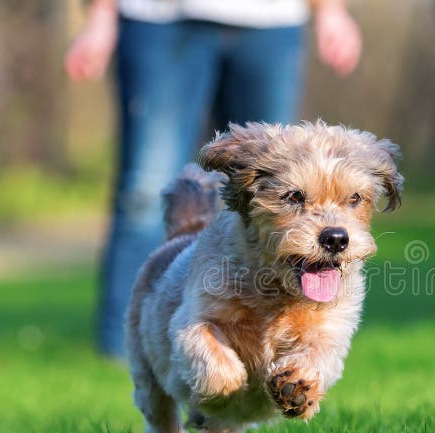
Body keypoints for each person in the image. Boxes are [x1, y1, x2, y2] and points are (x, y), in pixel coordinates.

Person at [65, 0, 363, 358]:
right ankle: (124, 349)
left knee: (285, 198)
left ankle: (277, 354)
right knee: (144, 194)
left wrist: (330, 9)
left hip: (270, 21)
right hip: (158, 18)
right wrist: (101, 12)